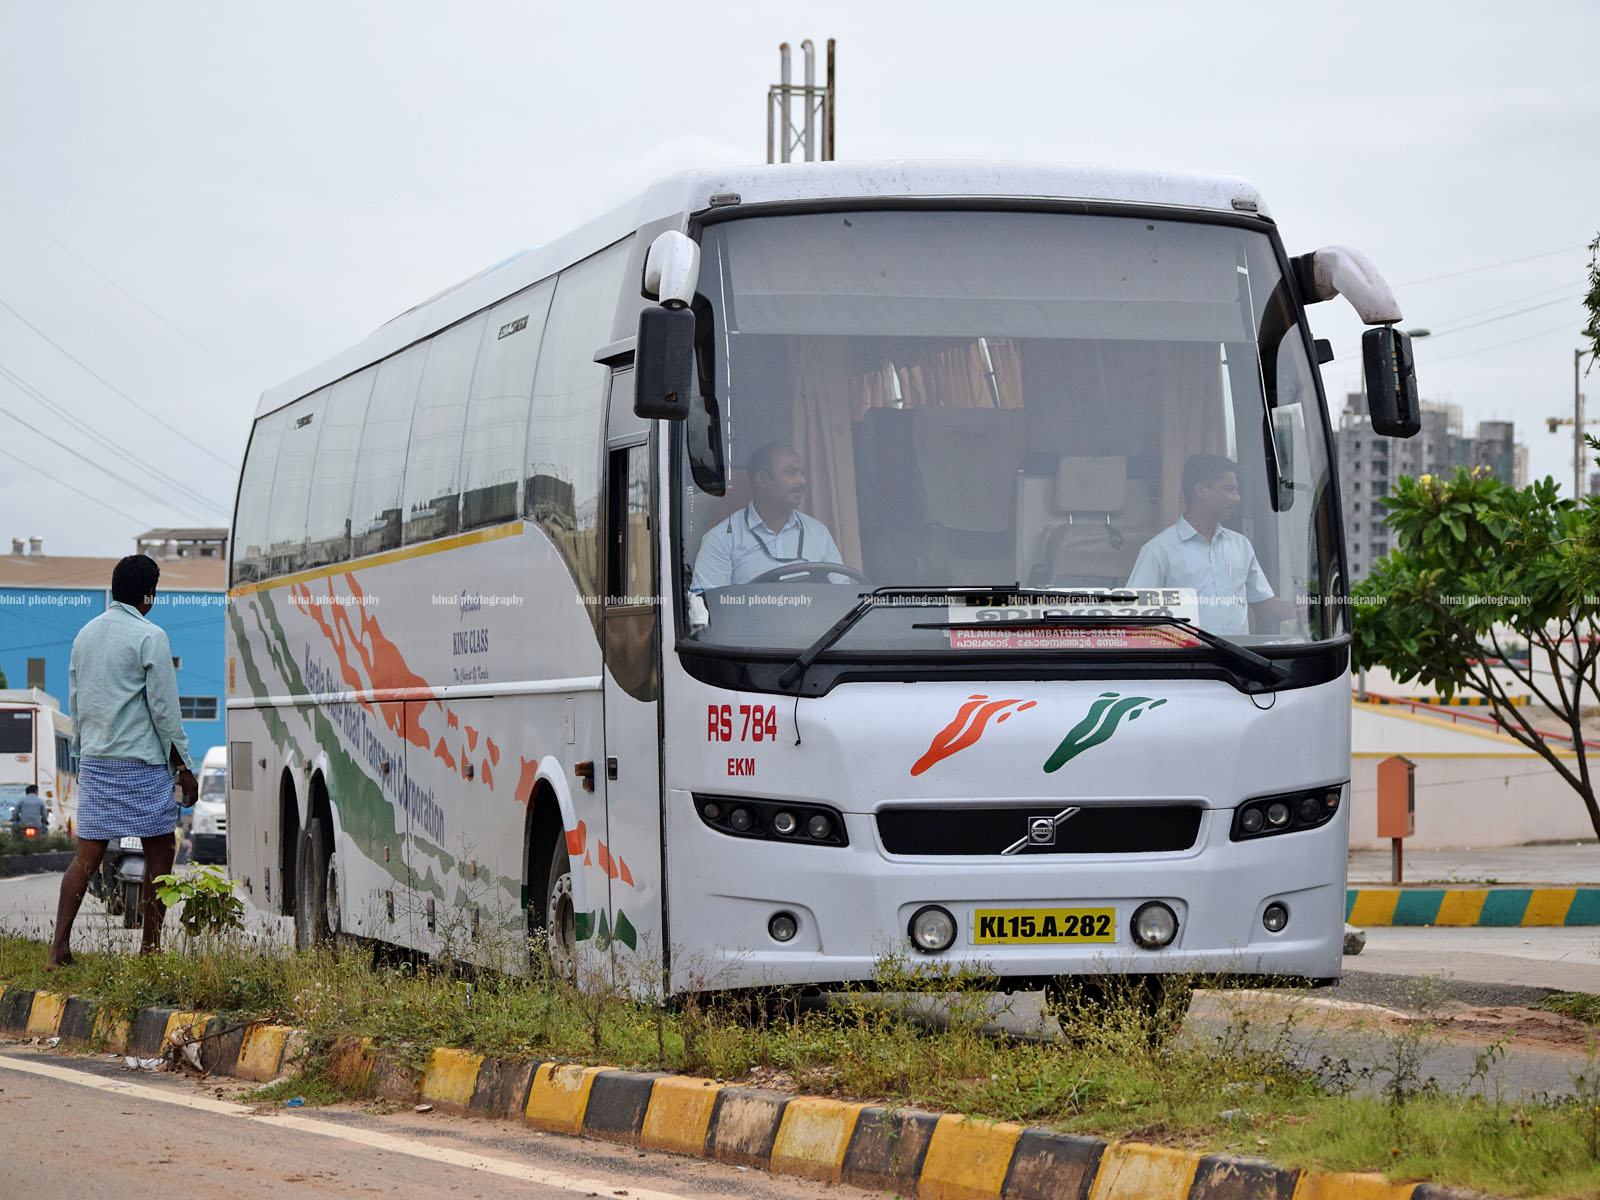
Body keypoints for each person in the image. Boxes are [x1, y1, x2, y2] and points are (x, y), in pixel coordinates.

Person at [48, 555, 197, 967]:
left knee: (86, 855)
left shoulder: (84, 635)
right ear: (149, 594)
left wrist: (82, 755)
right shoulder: (151, 636)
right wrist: (184, 766)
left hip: (96, 760)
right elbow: (165, 710)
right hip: (141, 764)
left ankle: (58, 947)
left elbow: (77, 703)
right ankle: (150, 949)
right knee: (160, 850)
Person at [1125, 454, 1296, 636]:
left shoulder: (1241, 546)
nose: (1237, 498)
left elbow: (1264, 607)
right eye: (1229, 489)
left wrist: (1308, 607)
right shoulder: (1159, 551)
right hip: (1186, 662)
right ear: (1200, 491)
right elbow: (1134, 616)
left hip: (1239, 661)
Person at [691, 443, 848, 589]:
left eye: (802, 473)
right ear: (763, 479)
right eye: (791, 473)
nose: (802, 481)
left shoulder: (819, 533)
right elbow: (710, 609)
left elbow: (841, 598)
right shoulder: (721, 539)